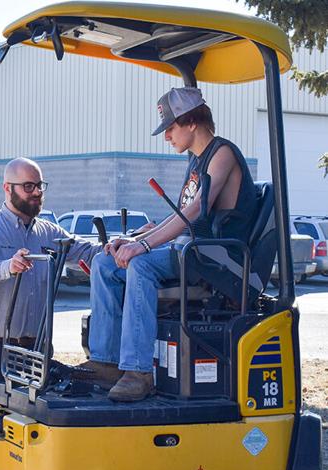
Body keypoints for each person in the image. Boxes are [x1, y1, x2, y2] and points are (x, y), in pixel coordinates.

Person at [77, 87, 257, 402]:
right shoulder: (197, 161)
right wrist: (135, 239)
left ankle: (138, 372)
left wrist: (143, 248)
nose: (167, 137)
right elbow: (180, 216)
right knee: (105, 263)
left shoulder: (223, 153)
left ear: (192, 122)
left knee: (141, 265)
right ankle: (106, 361)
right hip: (193, 251)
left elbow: (196, 210)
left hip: (217, 258)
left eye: (171, 128)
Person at [0, 157, 100, 470]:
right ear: (7, 188)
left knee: (29, 435)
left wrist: (126, 245)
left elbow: (84, 249)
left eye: (40, 186)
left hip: (35, 351)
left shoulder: (48, 232)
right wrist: (7, 266)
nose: (37, 192)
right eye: (29, 186)